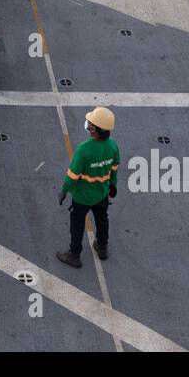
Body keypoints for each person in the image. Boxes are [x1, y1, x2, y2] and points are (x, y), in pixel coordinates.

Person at [56, 107, 121, 267]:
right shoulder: (113, 146)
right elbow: (114, 167)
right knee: (102, 219)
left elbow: (73, 174)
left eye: (91, 124)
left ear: (94, 130)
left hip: (82, 197)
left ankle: (74, 254)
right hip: (102, 194)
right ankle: (102, 247)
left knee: (77, 225)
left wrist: (64, 190)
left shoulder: (83, 150)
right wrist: (113, 184)